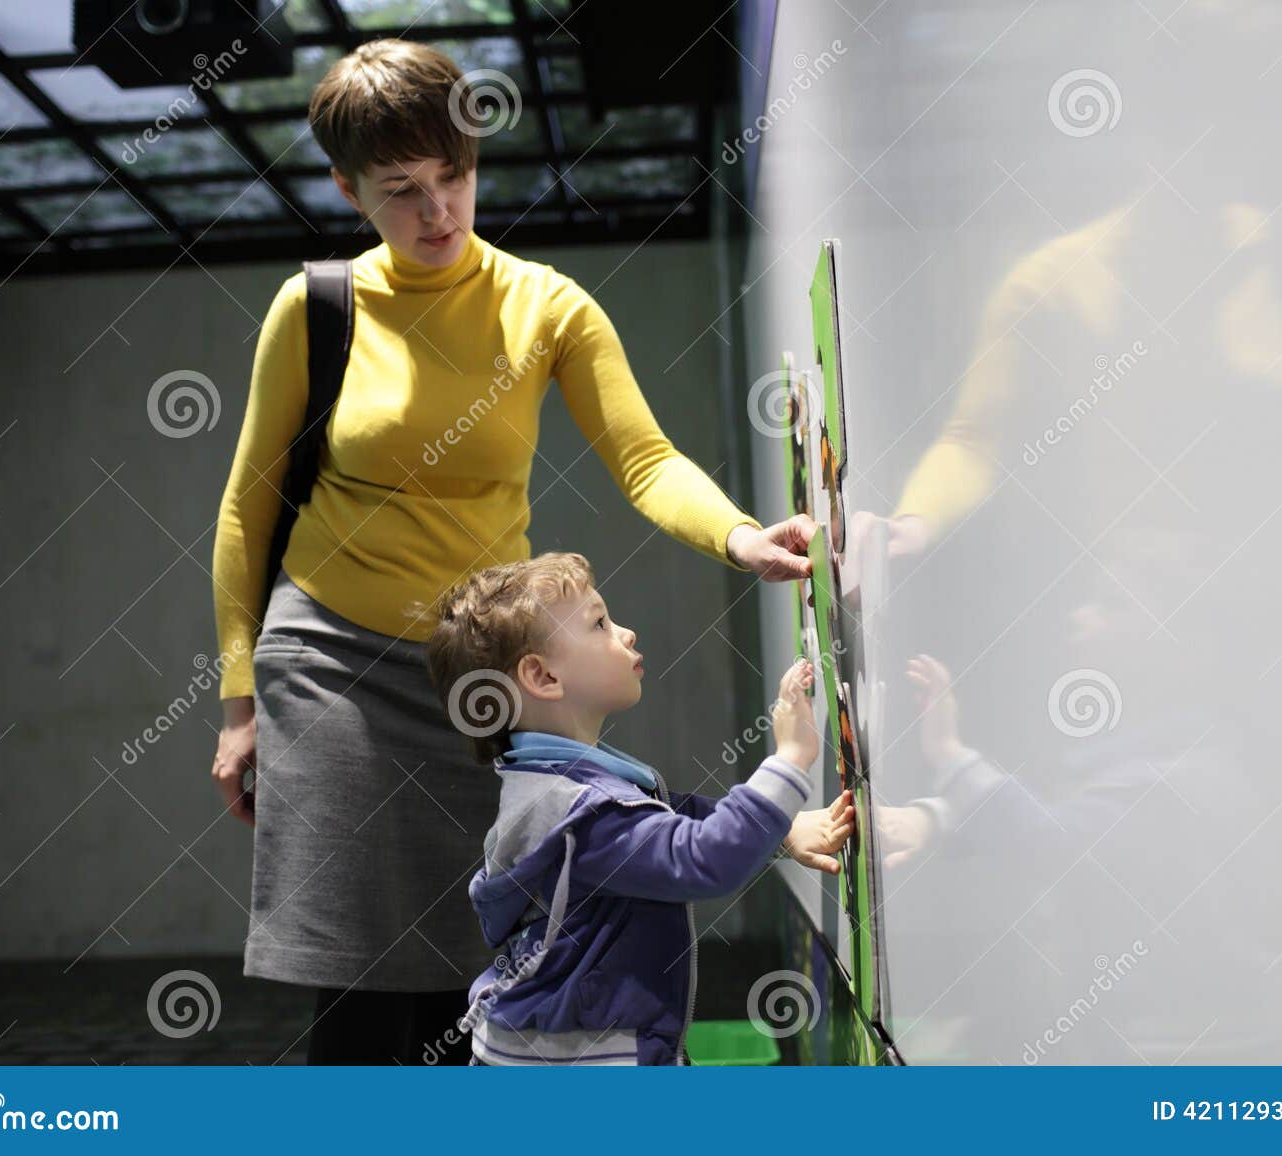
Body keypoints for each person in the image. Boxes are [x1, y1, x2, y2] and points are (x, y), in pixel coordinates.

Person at [207, 38, 814, 1065]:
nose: (438, 212)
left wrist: (741, 535)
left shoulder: (546, 306)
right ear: (348, 190)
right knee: (356, 971)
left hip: (478, 675)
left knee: (476, 954)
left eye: (455, 178)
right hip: (329, 664)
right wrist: (235, 701)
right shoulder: (315, 309)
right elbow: (244, 510)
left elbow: (645, 455)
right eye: (402, 191)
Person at [423, 551, 855, 1065]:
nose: (625, 634)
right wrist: (791, 757)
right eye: (600, 624)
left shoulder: (558, 784)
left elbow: (670, 825)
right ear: (542, 677)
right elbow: (702, 859)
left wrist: (782, 833)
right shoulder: (579, 813)